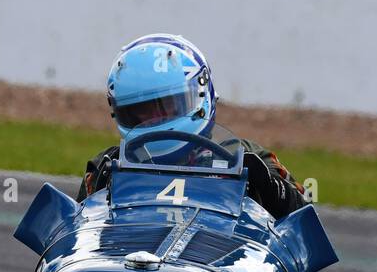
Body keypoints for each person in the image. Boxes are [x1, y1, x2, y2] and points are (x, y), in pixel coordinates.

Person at [75, 34, 306, 220]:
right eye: (140, 112)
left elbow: (303, 221)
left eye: (165, 108)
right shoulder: (108, 167)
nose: (155, 121)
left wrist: (268, 188)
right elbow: (80, 233)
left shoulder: (248, 159)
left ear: (201, 94)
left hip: (220, 263)